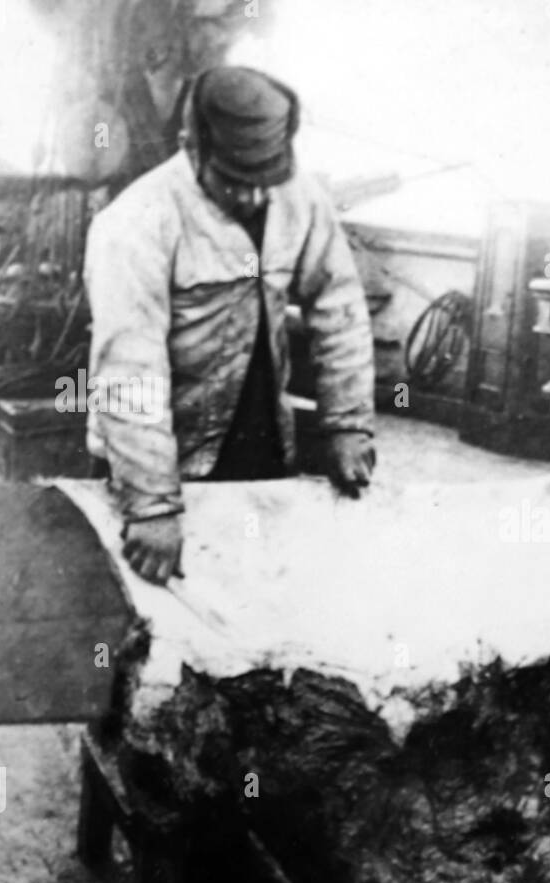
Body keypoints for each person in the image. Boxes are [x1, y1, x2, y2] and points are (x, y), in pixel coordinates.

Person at [83, 65, 376, 586]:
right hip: (163, 454)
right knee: (156, 625)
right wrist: (151, 506)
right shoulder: (135, 223)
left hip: (260, 437)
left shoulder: (300, 197)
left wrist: (347, 423)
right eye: (235, 183)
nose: (255, 198)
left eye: (266, 181)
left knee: (260, 600)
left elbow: (339, 306)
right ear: (190, 147)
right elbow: (130, 370)